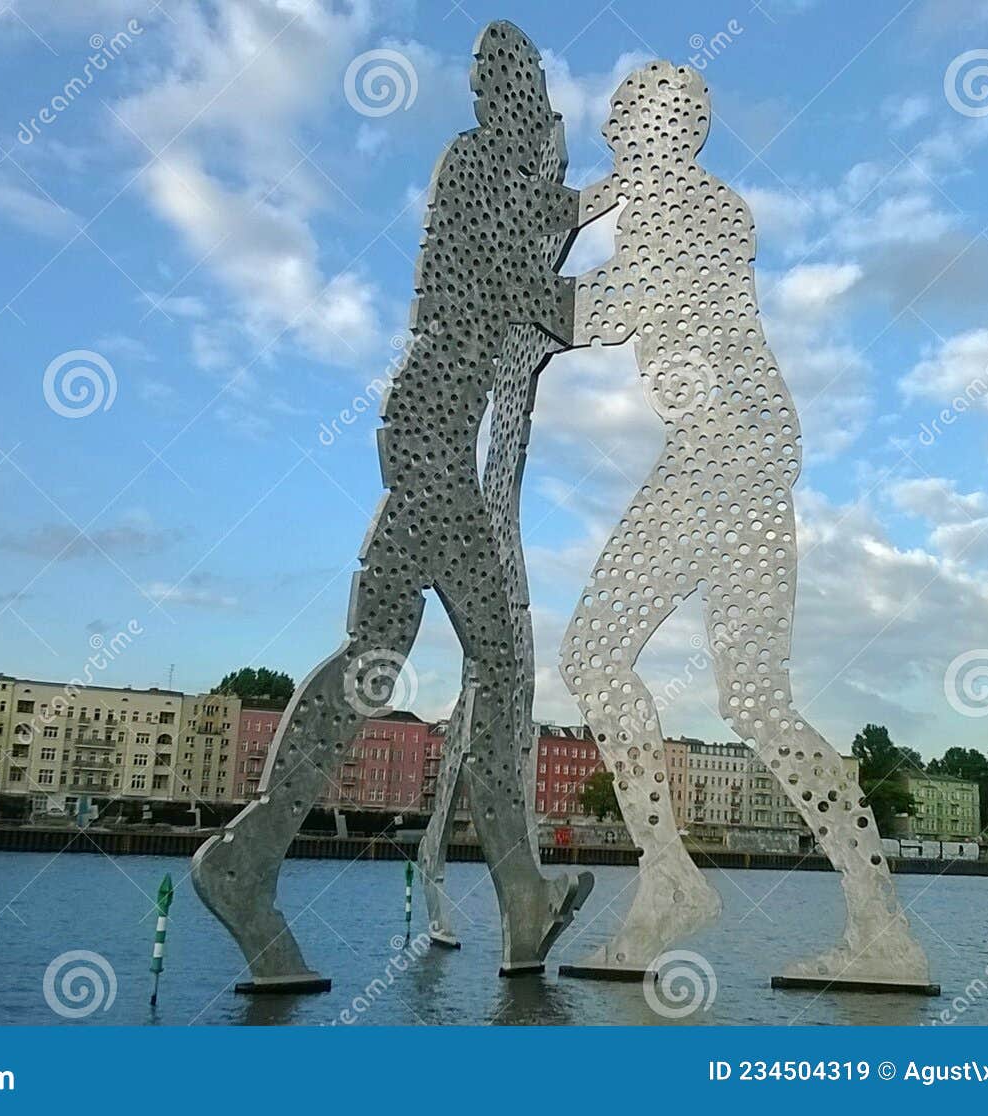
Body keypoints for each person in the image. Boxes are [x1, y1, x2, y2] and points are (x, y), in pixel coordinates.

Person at [193, 22, 592, 991]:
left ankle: (257, 866)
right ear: (518, 108)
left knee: (384, 657)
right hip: (432, 444)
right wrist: (605, 282)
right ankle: (514, 898)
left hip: (428, 437)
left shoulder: (495, 183)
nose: (554, 128)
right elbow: (525, 292)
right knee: (495, 664)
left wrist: (584, 212)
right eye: (544, 110)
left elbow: (533, 258)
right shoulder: (480, 176)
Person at [558, 62, 931, 988]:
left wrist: (509, 290)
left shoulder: (693, 210)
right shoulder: (679, 198)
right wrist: (571, 210)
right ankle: (881, 929)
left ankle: (668, 880)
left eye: (621, 122)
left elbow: (609, 310)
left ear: (665, 129)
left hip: (724, 449)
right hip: (745, 446)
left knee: (593, 656)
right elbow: (596, 237)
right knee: (756, 700)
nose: (607, 137)